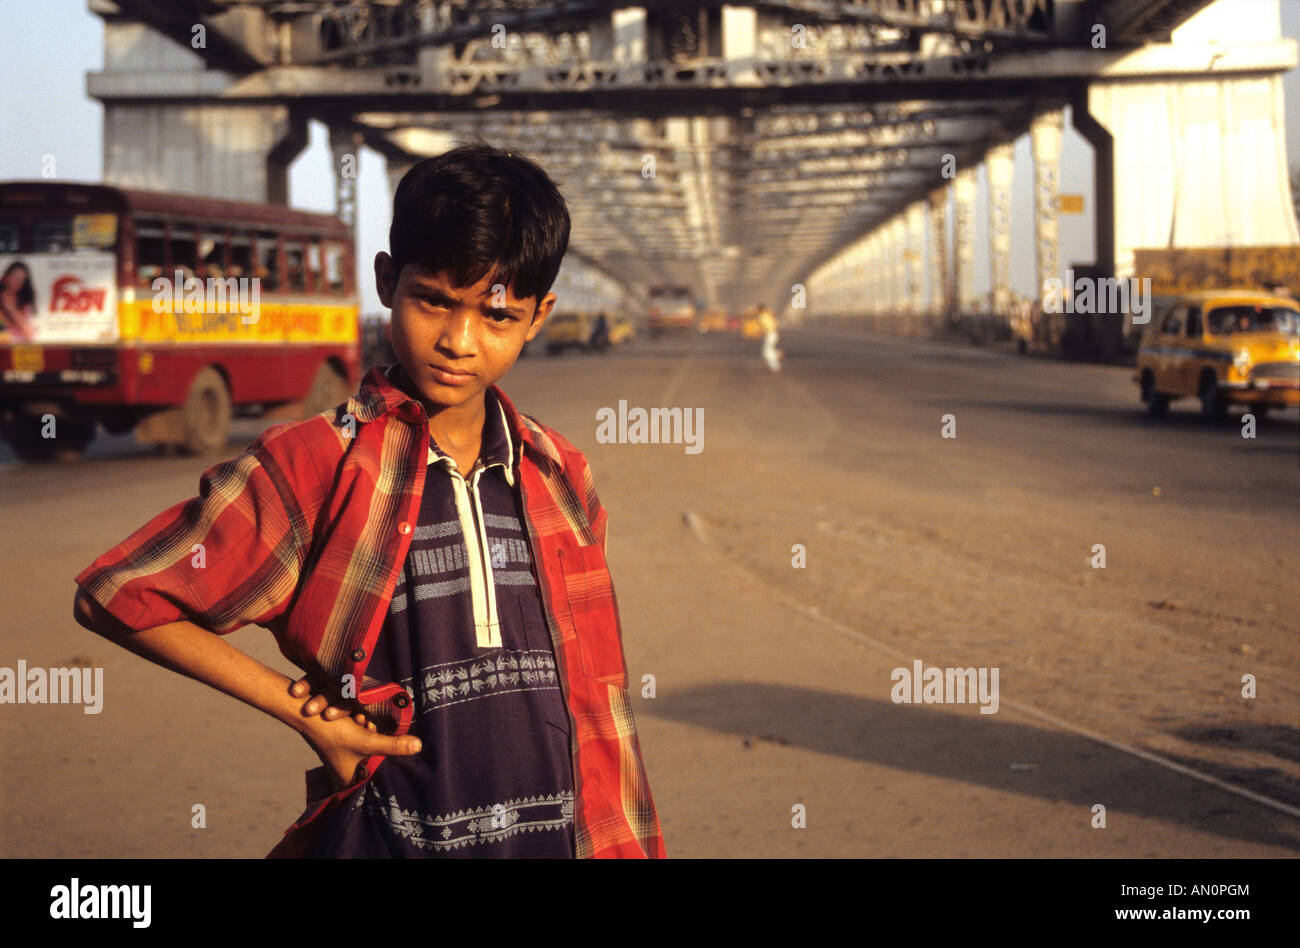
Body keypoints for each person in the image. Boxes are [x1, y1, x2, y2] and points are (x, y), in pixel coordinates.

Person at [72, 143, 666, 860]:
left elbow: (600, 702)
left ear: (538, 317)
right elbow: (119, 596)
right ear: (387, 281)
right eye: (434, 301)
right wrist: (305, 714)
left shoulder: (562, 473)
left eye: (497, 317)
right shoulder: (317, 463)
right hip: (392, 840)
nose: (458, 340)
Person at [0, 261, 36, 340]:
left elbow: (29, 333)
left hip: (17, 345)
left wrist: (12, 309)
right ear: (7, 278)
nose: (19, 283)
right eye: (16, 279)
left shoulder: (25, 301)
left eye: (22, 280)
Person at [756, 301, 782, 372]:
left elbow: (766, 327)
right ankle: (777, 354)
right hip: (773, 334)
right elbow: (774, 324)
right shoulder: (768, 315)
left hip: (770, 334)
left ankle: (775, 366)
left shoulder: (762, 317)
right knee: (769, 350)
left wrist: (759, 334)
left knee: (766, 352)